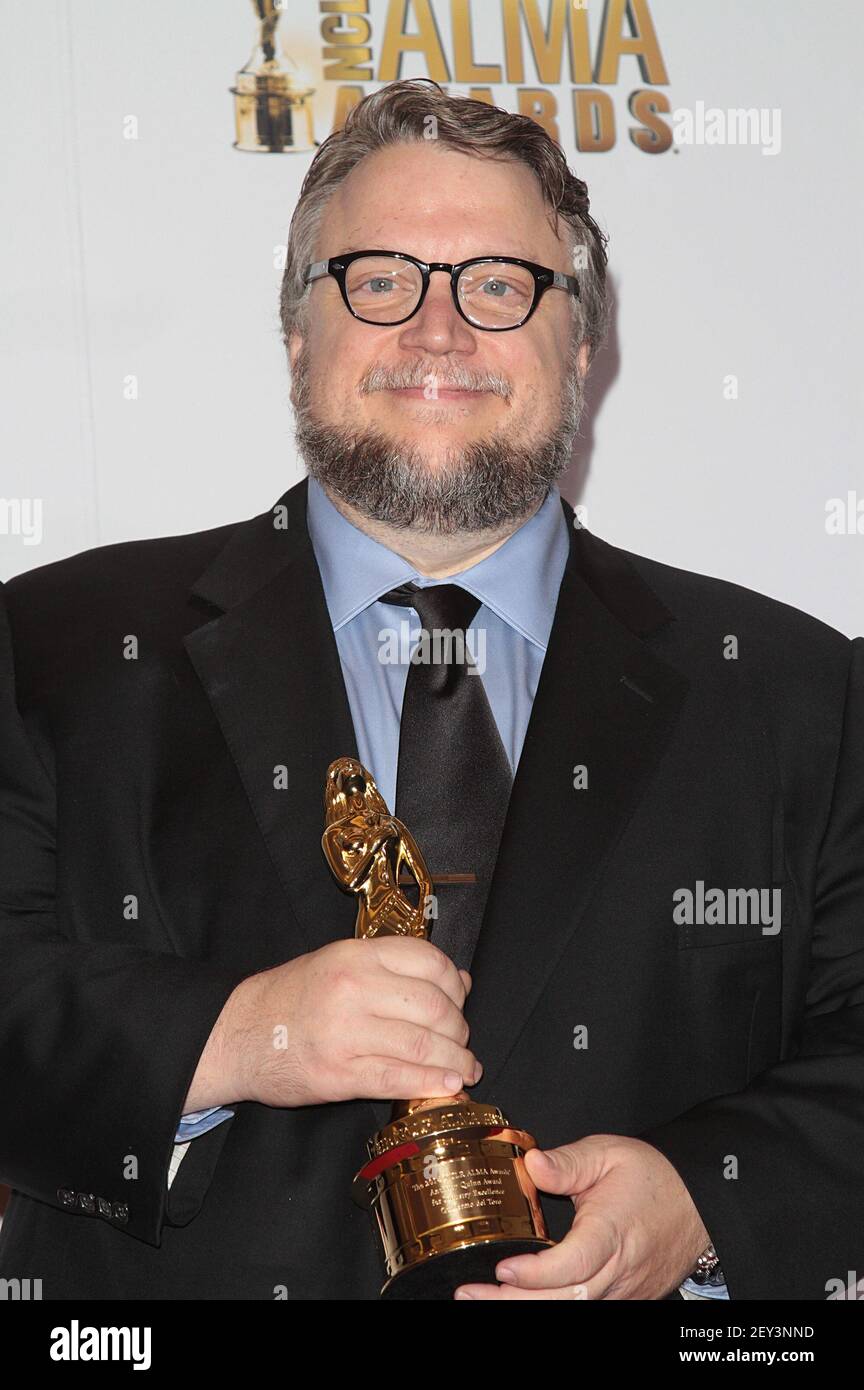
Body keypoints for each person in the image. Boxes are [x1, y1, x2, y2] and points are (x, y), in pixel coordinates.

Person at [0, 78, 861, 1302]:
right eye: (382, 278)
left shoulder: (800, 694)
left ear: (584, 345)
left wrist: (705, 1199)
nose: (440, 331)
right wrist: (237, 1035)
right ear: (299, 333)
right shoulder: (54, 648)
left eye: (501, 285)